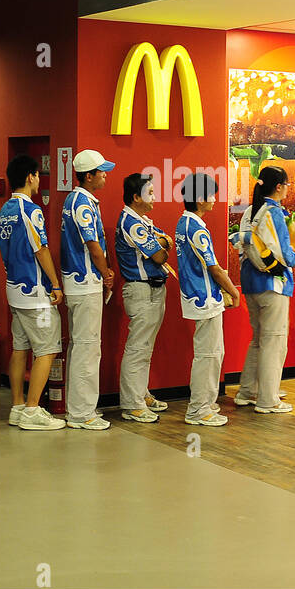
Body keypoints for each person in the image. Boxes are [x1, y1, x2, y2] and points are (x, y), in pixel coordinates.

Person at [0, 155, 66, 431]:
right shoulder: (31, 210)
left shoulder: (5, 210)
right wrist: (56, 283)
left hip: (14, 290)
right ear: (30, 176)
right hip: (36, 294)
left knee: (20, 348)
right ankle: (33, 409)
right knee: (47, 350)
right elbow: (41, 249)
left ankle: (17, 405)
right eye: (38, 175)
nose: (39, 180)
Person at [234, 165, 295, 414]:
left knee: (259, 339)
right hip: (274, 283)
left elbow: (242, 244)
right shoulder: (274, 212)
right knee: (274, 341)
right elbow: (283, 252)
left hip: (251, 282)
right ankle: (268, 399)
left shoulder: (251, 211)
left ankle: (247, 391)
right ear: (280, 186)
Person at [175, 172, 239, 425]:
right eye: (211, 194)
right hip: (204, 297)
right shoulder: (196, 228)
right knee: (209, 354)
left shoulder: (184, 223)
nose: (214, 199)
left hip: (196, 295)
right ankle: (199, 408)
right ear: (200, 198)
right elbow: (213, 267)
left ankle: (206, 404)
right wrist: (233, 290)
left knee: (210, 353)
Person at [60, 149, 115, 431]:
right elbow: (93, 245)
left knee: (80, 345)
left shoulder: (76, 200)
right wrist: (105, 271)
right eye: (101, 171)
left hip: (78, 283)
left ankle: (78, 408)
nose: (105, 175)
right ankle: (82, 412)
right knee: (88, 347)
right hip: (85, 282)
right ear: (89, 176)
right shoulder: (83, 203)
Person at [114, 172, 172, 422]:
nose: (155, 197)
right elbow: (159, 256)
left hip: (155, 289)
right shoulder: (131, 222)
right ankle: (131, 404)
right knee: (138, 348)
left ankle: (141, 393)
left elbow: (166, 239)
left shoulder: (143, 220)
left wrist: (162, 242)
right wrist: (161, 244)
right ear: (136, 196)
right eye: (150, 193)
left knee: (146, 347)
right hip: (140, 289)